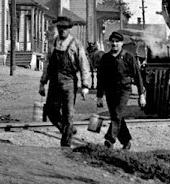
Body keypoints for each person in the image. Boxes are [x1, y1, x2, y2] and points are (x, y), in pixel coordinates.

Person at [39, 16, 90, 147]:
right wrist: (42, 83)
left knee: (68, 113)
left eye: (65, 28)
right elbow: (48, 64)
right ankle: (68, 130)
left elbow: (84, 64)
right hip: (54, 81)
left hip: (69, 81)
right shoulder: (53, 43)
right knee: (51, 110)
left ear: (69, 29)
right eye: (60, 27)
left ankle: (65, 144)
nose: (62, 30)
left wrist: (85, 85)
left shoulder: (76, 44)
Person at [95, 31, 145, 150]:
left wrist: (141, 95)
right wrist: (99, 96)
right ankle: (126, 141)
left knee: (117, 114)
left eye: (117, 42)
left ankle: (109, 140)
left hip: (124, 90)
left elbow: (137, 76)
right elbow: (101, 78)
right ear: (109, 43)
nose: (114, 44)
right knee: (117, 116)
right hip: (110, 91)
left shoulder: (128, 57)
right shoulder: (105, 58)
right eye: (112, 41)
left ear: (122, 43)